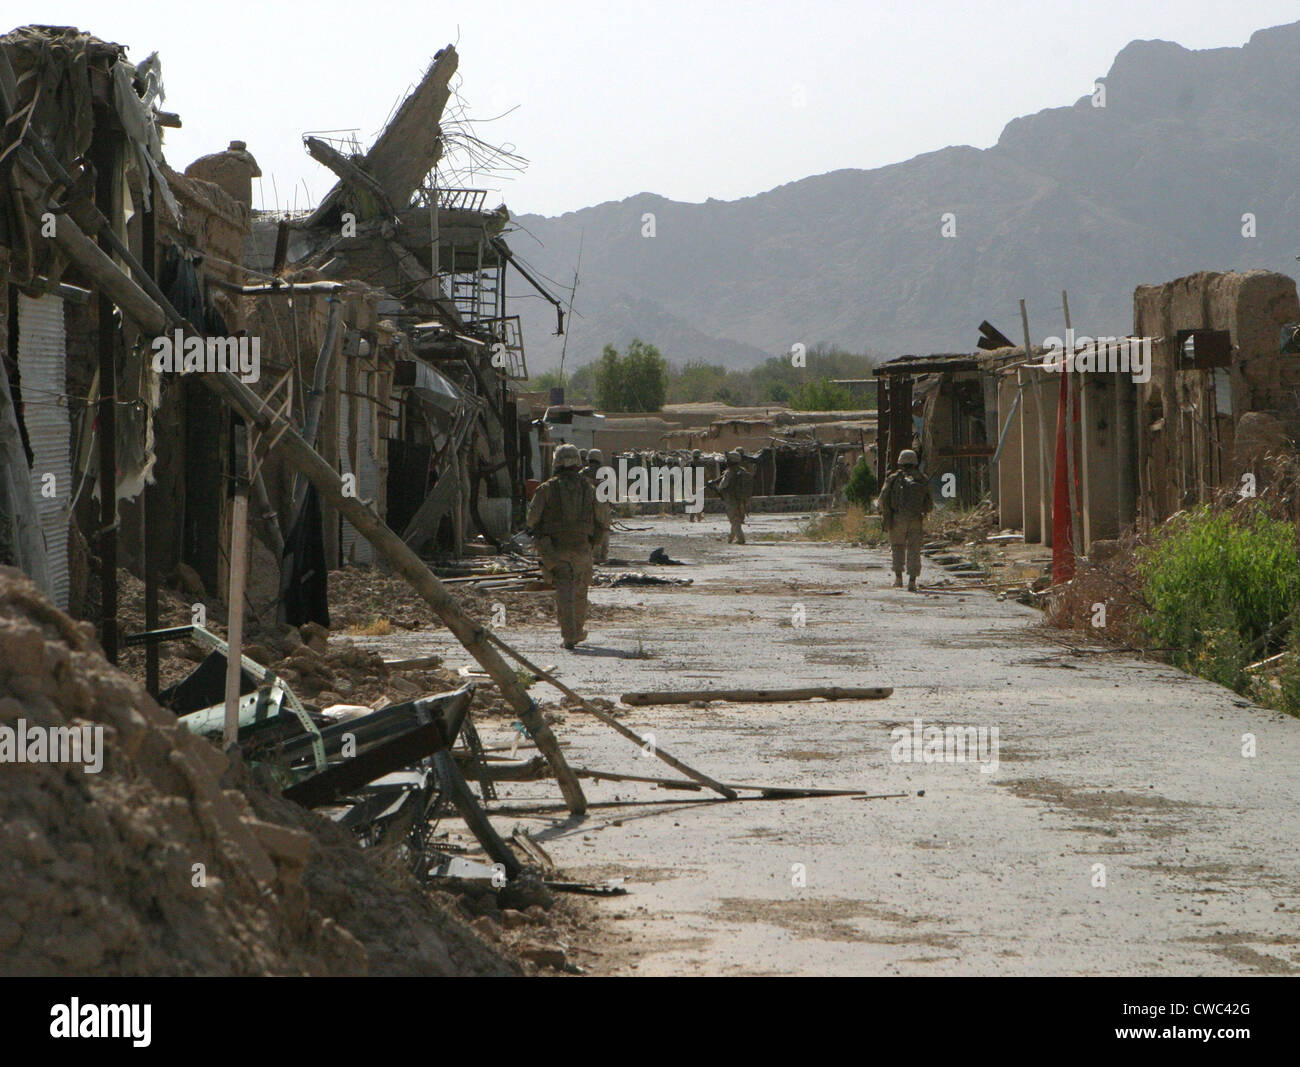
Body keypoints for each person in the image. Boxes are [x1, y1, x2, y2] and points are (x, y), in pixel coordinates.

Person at [527, 443, 600, 649]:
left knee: (564, 591)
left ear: (556, 462)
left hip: (555, 549)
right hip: (582, 547)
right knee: (579, 592)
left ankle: (570, 635)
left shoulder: (546, 489)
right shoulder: (589, 489)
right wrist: (594, 542)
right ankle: (576, 631)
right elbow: (603, 519)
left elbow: (532, 519)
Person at [879, 449, 932, 591]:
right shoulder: (922, 479)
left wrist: (886, 516)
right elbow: (929, 504)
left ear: (900, 462)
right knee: (914, 549)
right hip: (915, 519)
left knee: (897, 547)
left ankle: (898, 579)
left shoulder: (893, 478)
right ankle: (912, 582)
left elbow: (883, 499)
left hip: (897, 518)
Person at [712, 450, 755, 544]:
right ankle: (731, 537)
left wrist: (716, 487)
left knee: (734, 519)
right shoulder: (742, 470)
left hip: (731, 499)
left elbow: (723, 485)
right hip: (742, 499)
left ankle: (740, 538)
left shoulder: (729, 472)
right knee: (737, 518)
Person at [581, 448, 612, 563]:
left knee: (589, 529)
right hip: (603, 505)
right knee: (604, 529)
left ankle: (593, 556)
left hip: (587, 506)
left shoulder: (583, 473)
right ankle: (603, 556)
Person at [688, 449, 705, 522]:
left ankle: (698, 516)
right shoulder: (701, 463)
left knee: (694, 501)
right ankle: (694, 517)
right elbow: (706, 473)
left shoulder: (689, 463)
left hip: (691, 485)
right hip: (699, 485)